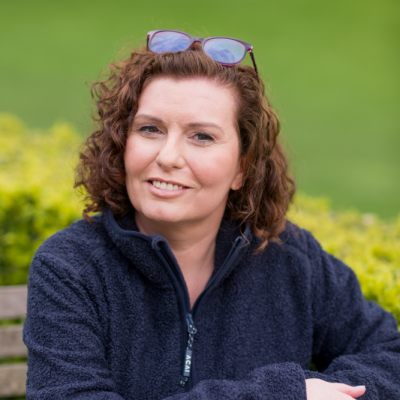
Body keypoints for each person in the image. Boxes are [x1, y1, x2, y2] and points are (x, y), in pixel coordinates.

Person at [23, 30, 400, 400]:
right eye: (150, 129)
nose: (168, 156)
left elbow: (389, 356)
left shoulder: (291, 258)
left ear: (242, 168)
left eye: (201, 136)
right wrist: (283, 394)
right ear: (123, 142)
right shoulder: (69, 267)